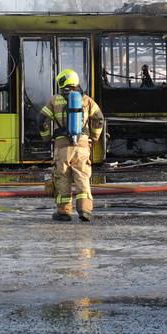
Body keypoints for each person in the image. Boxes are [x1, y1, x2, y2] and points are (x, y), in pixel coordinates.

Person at [40, 69, 104, 222]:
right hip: (82, 146)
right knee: (82, 177)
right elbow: (99, 119)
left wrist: (46, 137)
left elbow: (41, 120)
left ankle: (63, 213)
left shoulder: (55, 100)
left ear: (63, 82)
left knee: (62, 178)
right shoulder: (87, 100)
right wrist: (94, 137)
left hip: (62, 147)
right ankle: (85, 210)